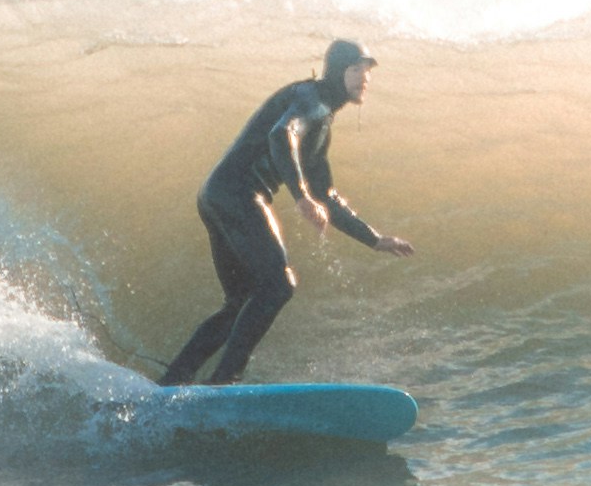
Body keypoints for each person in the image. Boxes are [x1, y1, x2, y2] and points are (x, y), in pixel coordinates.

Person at [159, 36, 414, 385]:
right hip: (239, 194)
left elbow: (326, 194)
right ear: (337, 71)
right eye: (356, 69)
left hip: (217, 194)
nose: (364, 77)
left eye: (367, 70)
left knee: (240, 302)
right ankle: (224, 380)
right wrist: (301, 197)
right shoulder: (312, 99)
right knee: (279, 284)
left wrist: (374, 239)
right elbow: (281, 135)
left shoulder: (320, 118)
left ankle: (172, 381)